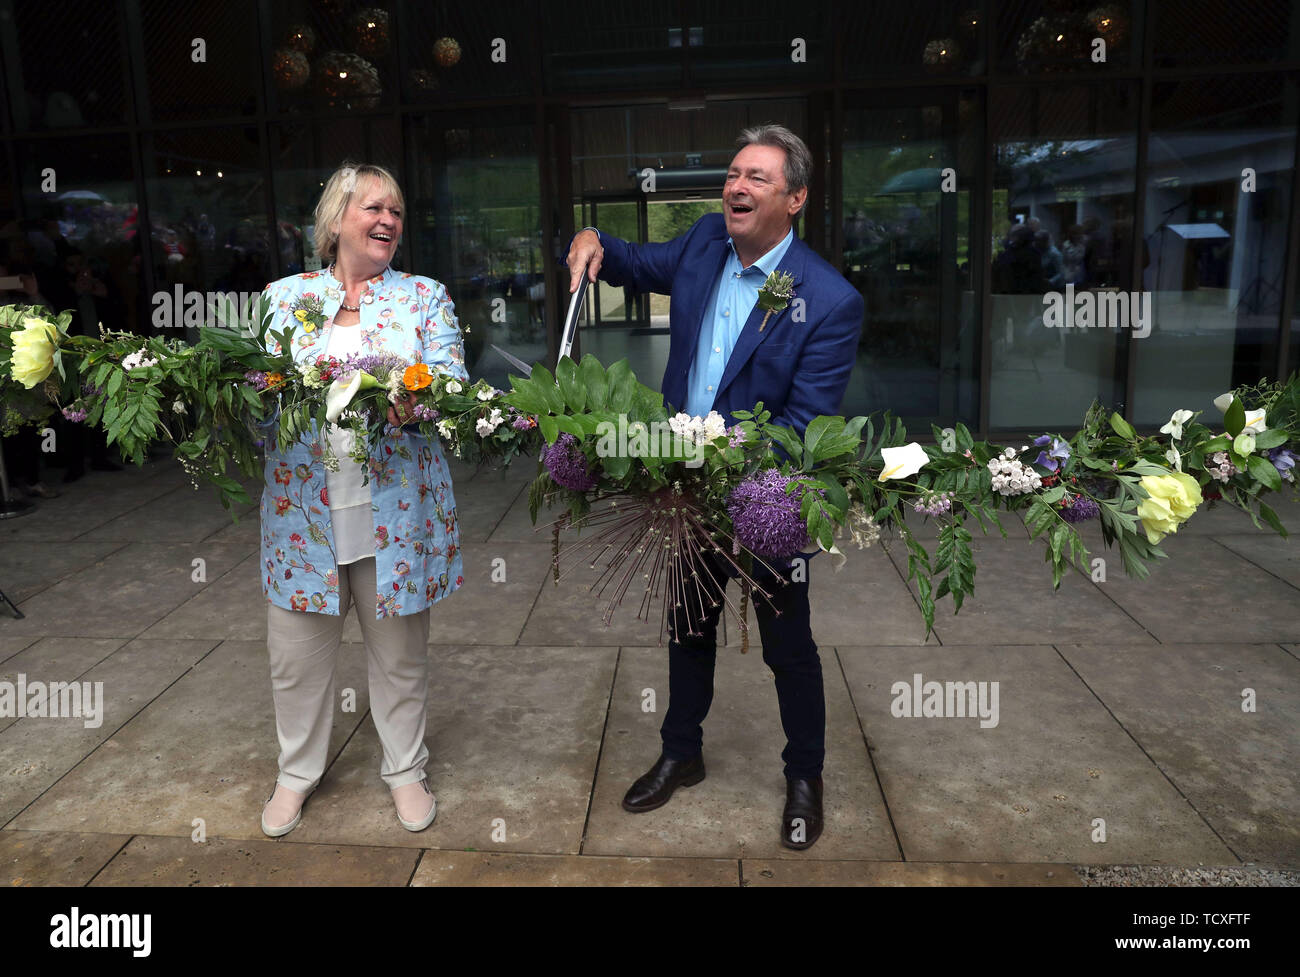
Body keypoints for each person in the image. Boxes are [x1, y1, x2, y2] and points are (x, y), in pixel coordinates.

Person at [565, 124, 864, 850]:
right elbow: (632, 261)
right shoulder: (703, 243)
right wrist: (591, 237)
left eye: (757, 177)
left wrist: (725, 470)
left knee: (788, 646)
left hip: (766, 503)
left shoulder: (827, 299)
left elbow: (802, 426)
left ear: (795, 197)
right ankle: (681, 752)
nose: (736, 185)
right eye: (733, 173)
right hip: (682, 498)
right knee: (687, 629)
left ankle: (805, 776)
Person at [255, 162, 468, 837]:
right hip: (302, 518)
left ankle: (406, 770)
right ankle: (295, 775)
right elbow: (257, 405)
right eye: (373, 207)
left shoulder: (424, 296)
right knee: (296, 661)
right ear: (336, 219)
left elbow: (452, 384)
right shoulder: (283, 298)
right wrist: (250, 396)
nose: (387, 221)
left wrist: (421, 399)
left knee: (401, 658)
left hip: (396, 516)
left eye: (396, 212)